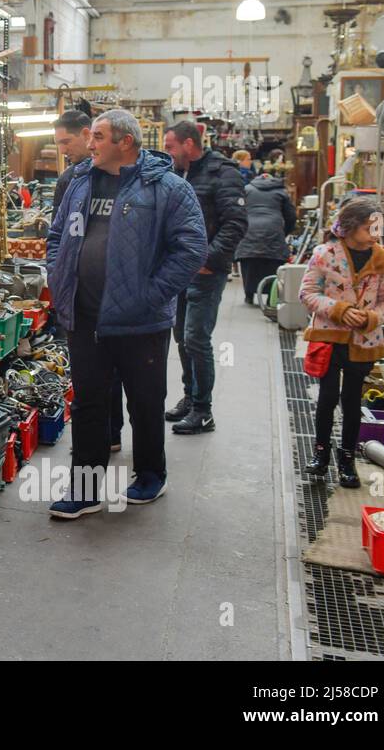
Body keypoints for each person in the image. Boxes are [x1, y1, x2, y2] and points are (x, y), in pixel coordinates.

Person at [46, 109, 207, 519]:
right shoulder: (79, 182)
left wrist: (149, 295)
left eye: (98, 136)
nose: (91, 142)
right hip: (84, 316)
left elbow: (190, 249)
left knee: (145, 401)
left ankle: (151, 474)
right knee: (88, 404)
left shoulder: (166, 188)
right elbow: (57, 235)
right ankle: (85, 490)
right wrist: (59, 272)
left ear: (125, 142)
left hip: (140, 321)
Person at [299, 198, 384, 488]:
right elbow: (307, 293)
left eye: (379, 228)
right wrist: (339, 309)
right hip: (327, 337)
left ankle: (347, 460)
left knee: (353, 400)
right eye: (371, 227)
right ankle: (320, 454)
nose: (375, 234)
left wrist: (370, 317)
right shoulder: (324, 254)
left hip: (364, 340)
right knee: (328, 396)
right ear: (351, 226)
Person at [162, 121, 248, 434]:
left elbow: (236, 223)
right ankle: (190, 396)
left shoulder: (222, 172)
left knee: (196, 337)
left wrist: (206, 259)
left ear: (188, 144)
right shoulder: (176, 172)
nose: (167, 153)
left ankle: (203, 410)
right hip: (178, 270)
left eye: (171, 146)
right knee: (182, 337)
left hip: (206, 271)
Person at [51, 106, 126, 453]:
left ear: (86, 133)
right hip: (81, 295)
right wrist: (59, 272)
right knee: (92, 380)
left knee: (121, 377)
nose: (62, 150)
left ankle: (116, 435)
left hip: (122, 298)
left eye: (67, 142)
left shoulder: (123, 179)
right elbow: (58, 235)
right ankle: (104, 438)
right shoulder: (72, 179)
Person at [237, 172, 297, 305]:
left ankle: (249, 294)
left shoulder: (247, 189)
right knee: (273, 263)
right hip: (273, 229)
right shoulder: (281, 192)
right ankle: (271, 295)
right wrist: (284, 232)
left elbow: (238, 210)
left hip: (250, 228)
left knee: (249, 262)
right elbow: (291, 216)